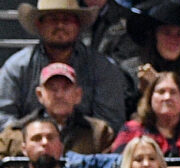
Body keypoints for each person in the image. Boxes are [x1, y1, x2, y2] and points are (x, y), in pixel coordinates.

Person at [0, 0, 128, 130]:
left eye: (67, 20)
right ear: (39, 24)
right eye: (53, 19)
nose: (60, 25)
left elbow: (111, 123)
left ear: (78, 24)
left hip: (88, 146)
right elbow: (3, 117)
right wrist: (32, 139)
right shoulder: (16, 67)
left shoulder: (103, 68)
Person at [0, 61, 112, 155]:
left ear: (78, 95)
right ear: (39, 95)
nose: (59, 95)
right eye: (52, 88)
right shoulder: (14, 134)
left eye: (66, 88)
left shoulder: (99, 133)